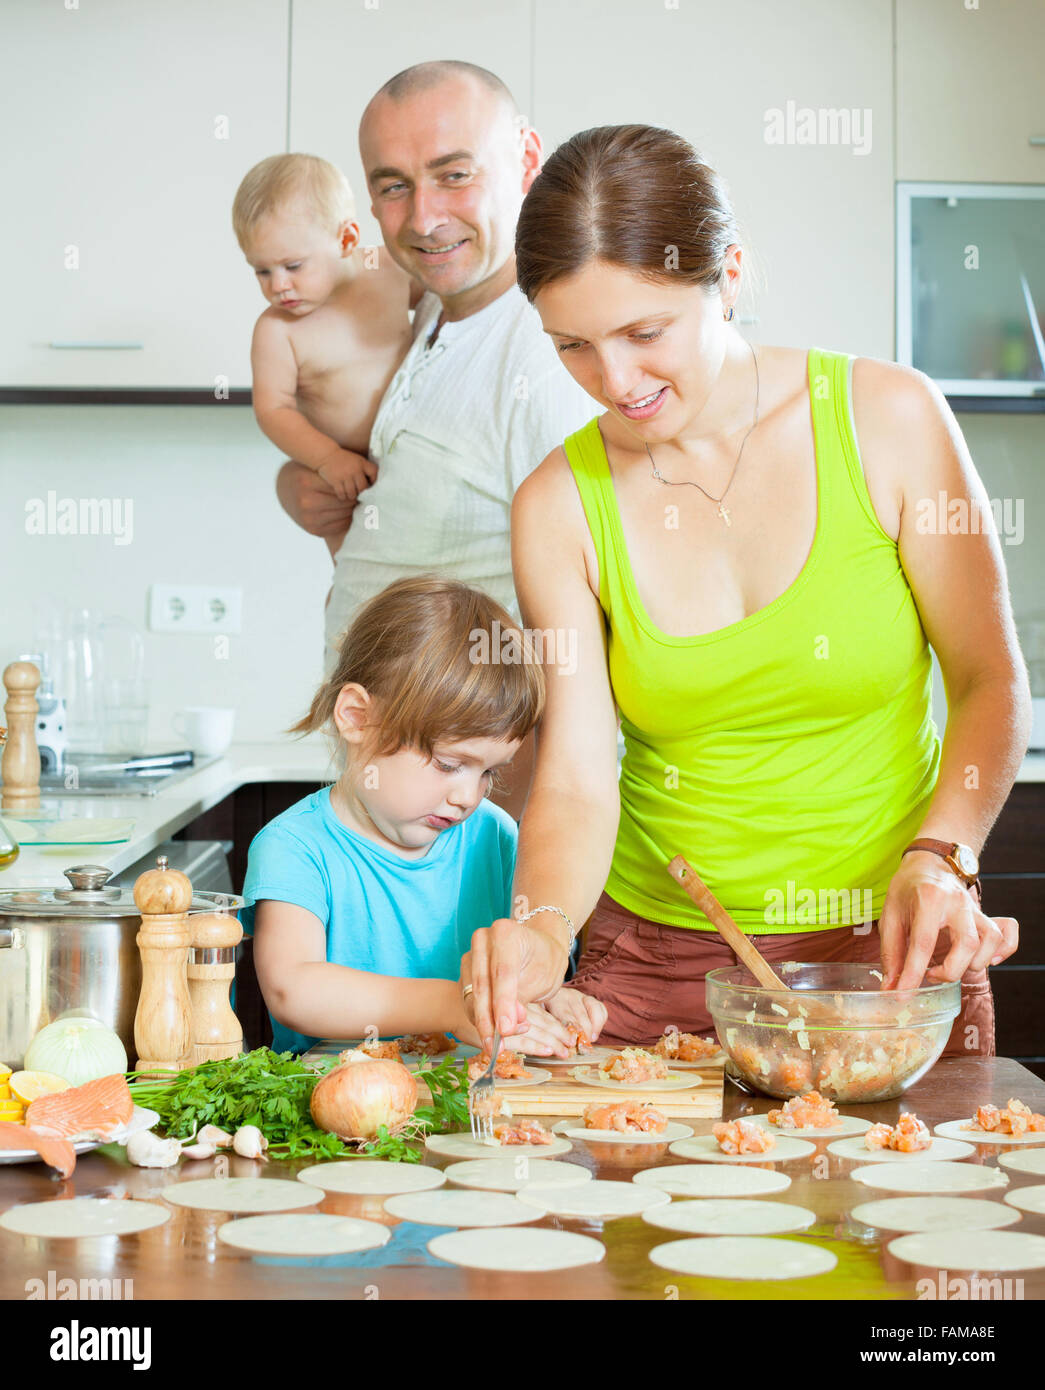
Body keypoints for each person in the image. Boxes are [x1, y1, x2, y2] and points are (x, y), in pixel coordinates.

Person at [460, 124, 1031, 1057]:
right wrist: (541, 927)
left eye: (645, 333)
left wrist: (944, 856)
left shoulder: (887, 420)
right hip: (650, 961)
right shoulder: (557, 505)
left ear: (727, 273)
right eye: (573, 346)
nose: (615, 382)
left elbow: (987, 680)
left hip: (885, 955)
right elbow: (572, 770)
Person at [274, 62, 595, 817]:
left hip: (474, 826)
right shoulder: (421, 317)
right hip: (403, 819)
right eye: (392, 186)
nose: (422, 217)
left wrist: (510, 864)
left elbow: (575, 650)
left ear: (524, 159)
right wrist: (305, 488)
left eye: (453, 175)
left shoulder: (545, 353)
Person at [239, 574, 604, 1057]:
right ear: (356, 716)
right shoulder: (293, 847)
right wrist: (454, 1004)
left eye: (489, 772)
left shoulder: (494, 836)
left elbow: (515, 958)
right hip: (342, 1109)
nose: (468, 796)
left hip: (473, 1107)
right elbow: (295, 990)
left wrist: (545, 993)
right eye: (449, 765)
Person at [232, 153, 423, 558]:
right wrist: (327, 458)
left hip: (412, 459)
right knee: (358, 578)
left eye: (292, 265)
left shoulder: (387, 269)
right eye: (261, 271)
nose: (277, 286)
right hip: (345, 476)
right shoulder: (277, 330)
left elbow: (449, 302)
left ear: (347, 240)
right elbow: (274, 410)